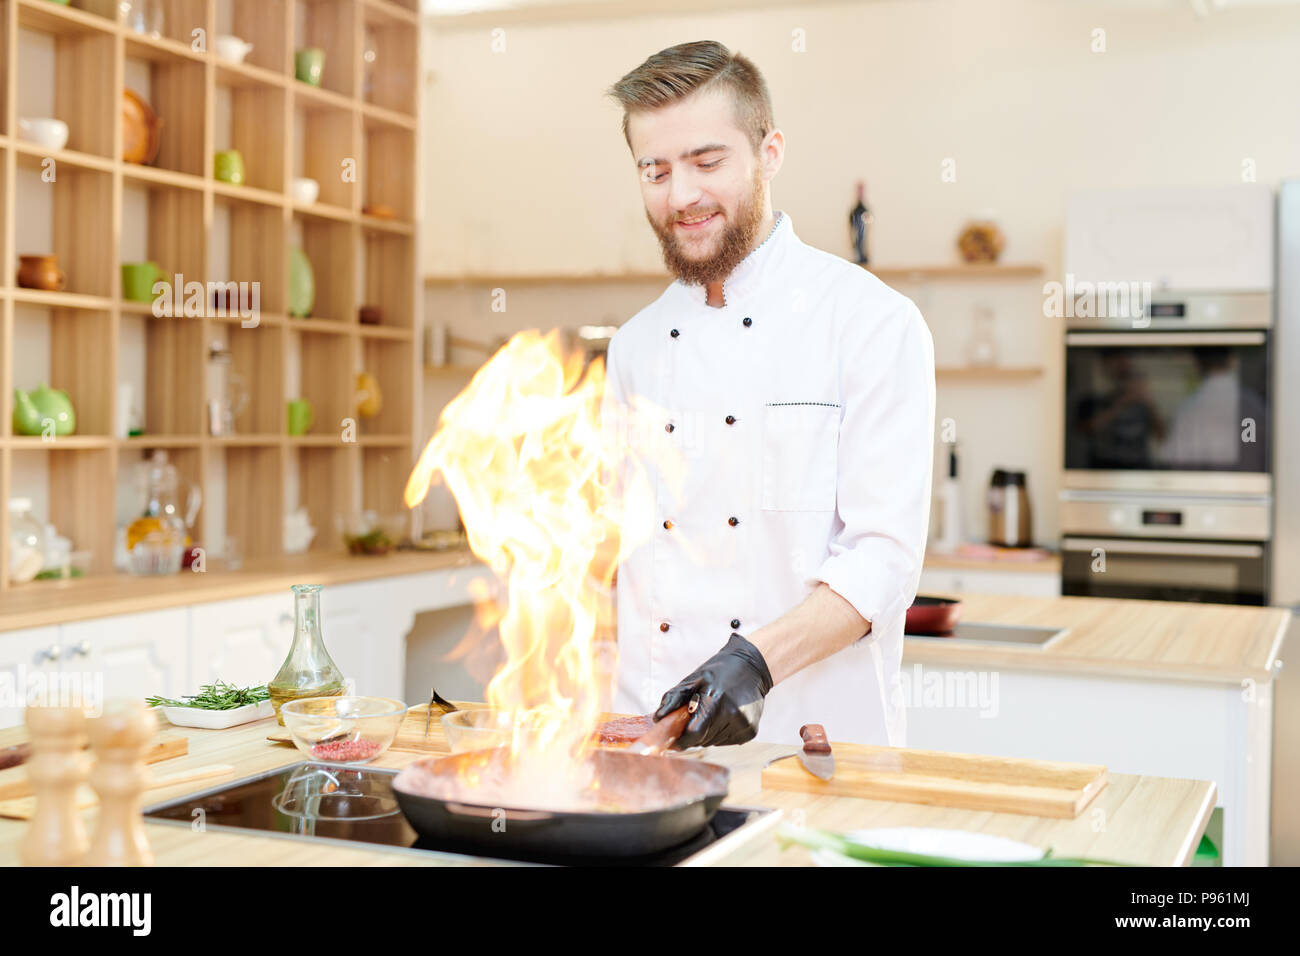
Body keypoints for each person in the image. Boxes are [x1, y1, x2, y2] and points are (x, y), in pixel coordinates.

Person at [601, 40, 935, 749]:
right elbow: (619, 556)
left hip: (811, 747)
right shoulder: (633, 345)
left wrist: (753, 662)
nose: (680, 195)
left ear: (770, 151)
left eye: (707, 161)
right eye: (654, 170)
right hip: (648, 749)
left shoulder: (871, 322)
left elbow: (882, 562)